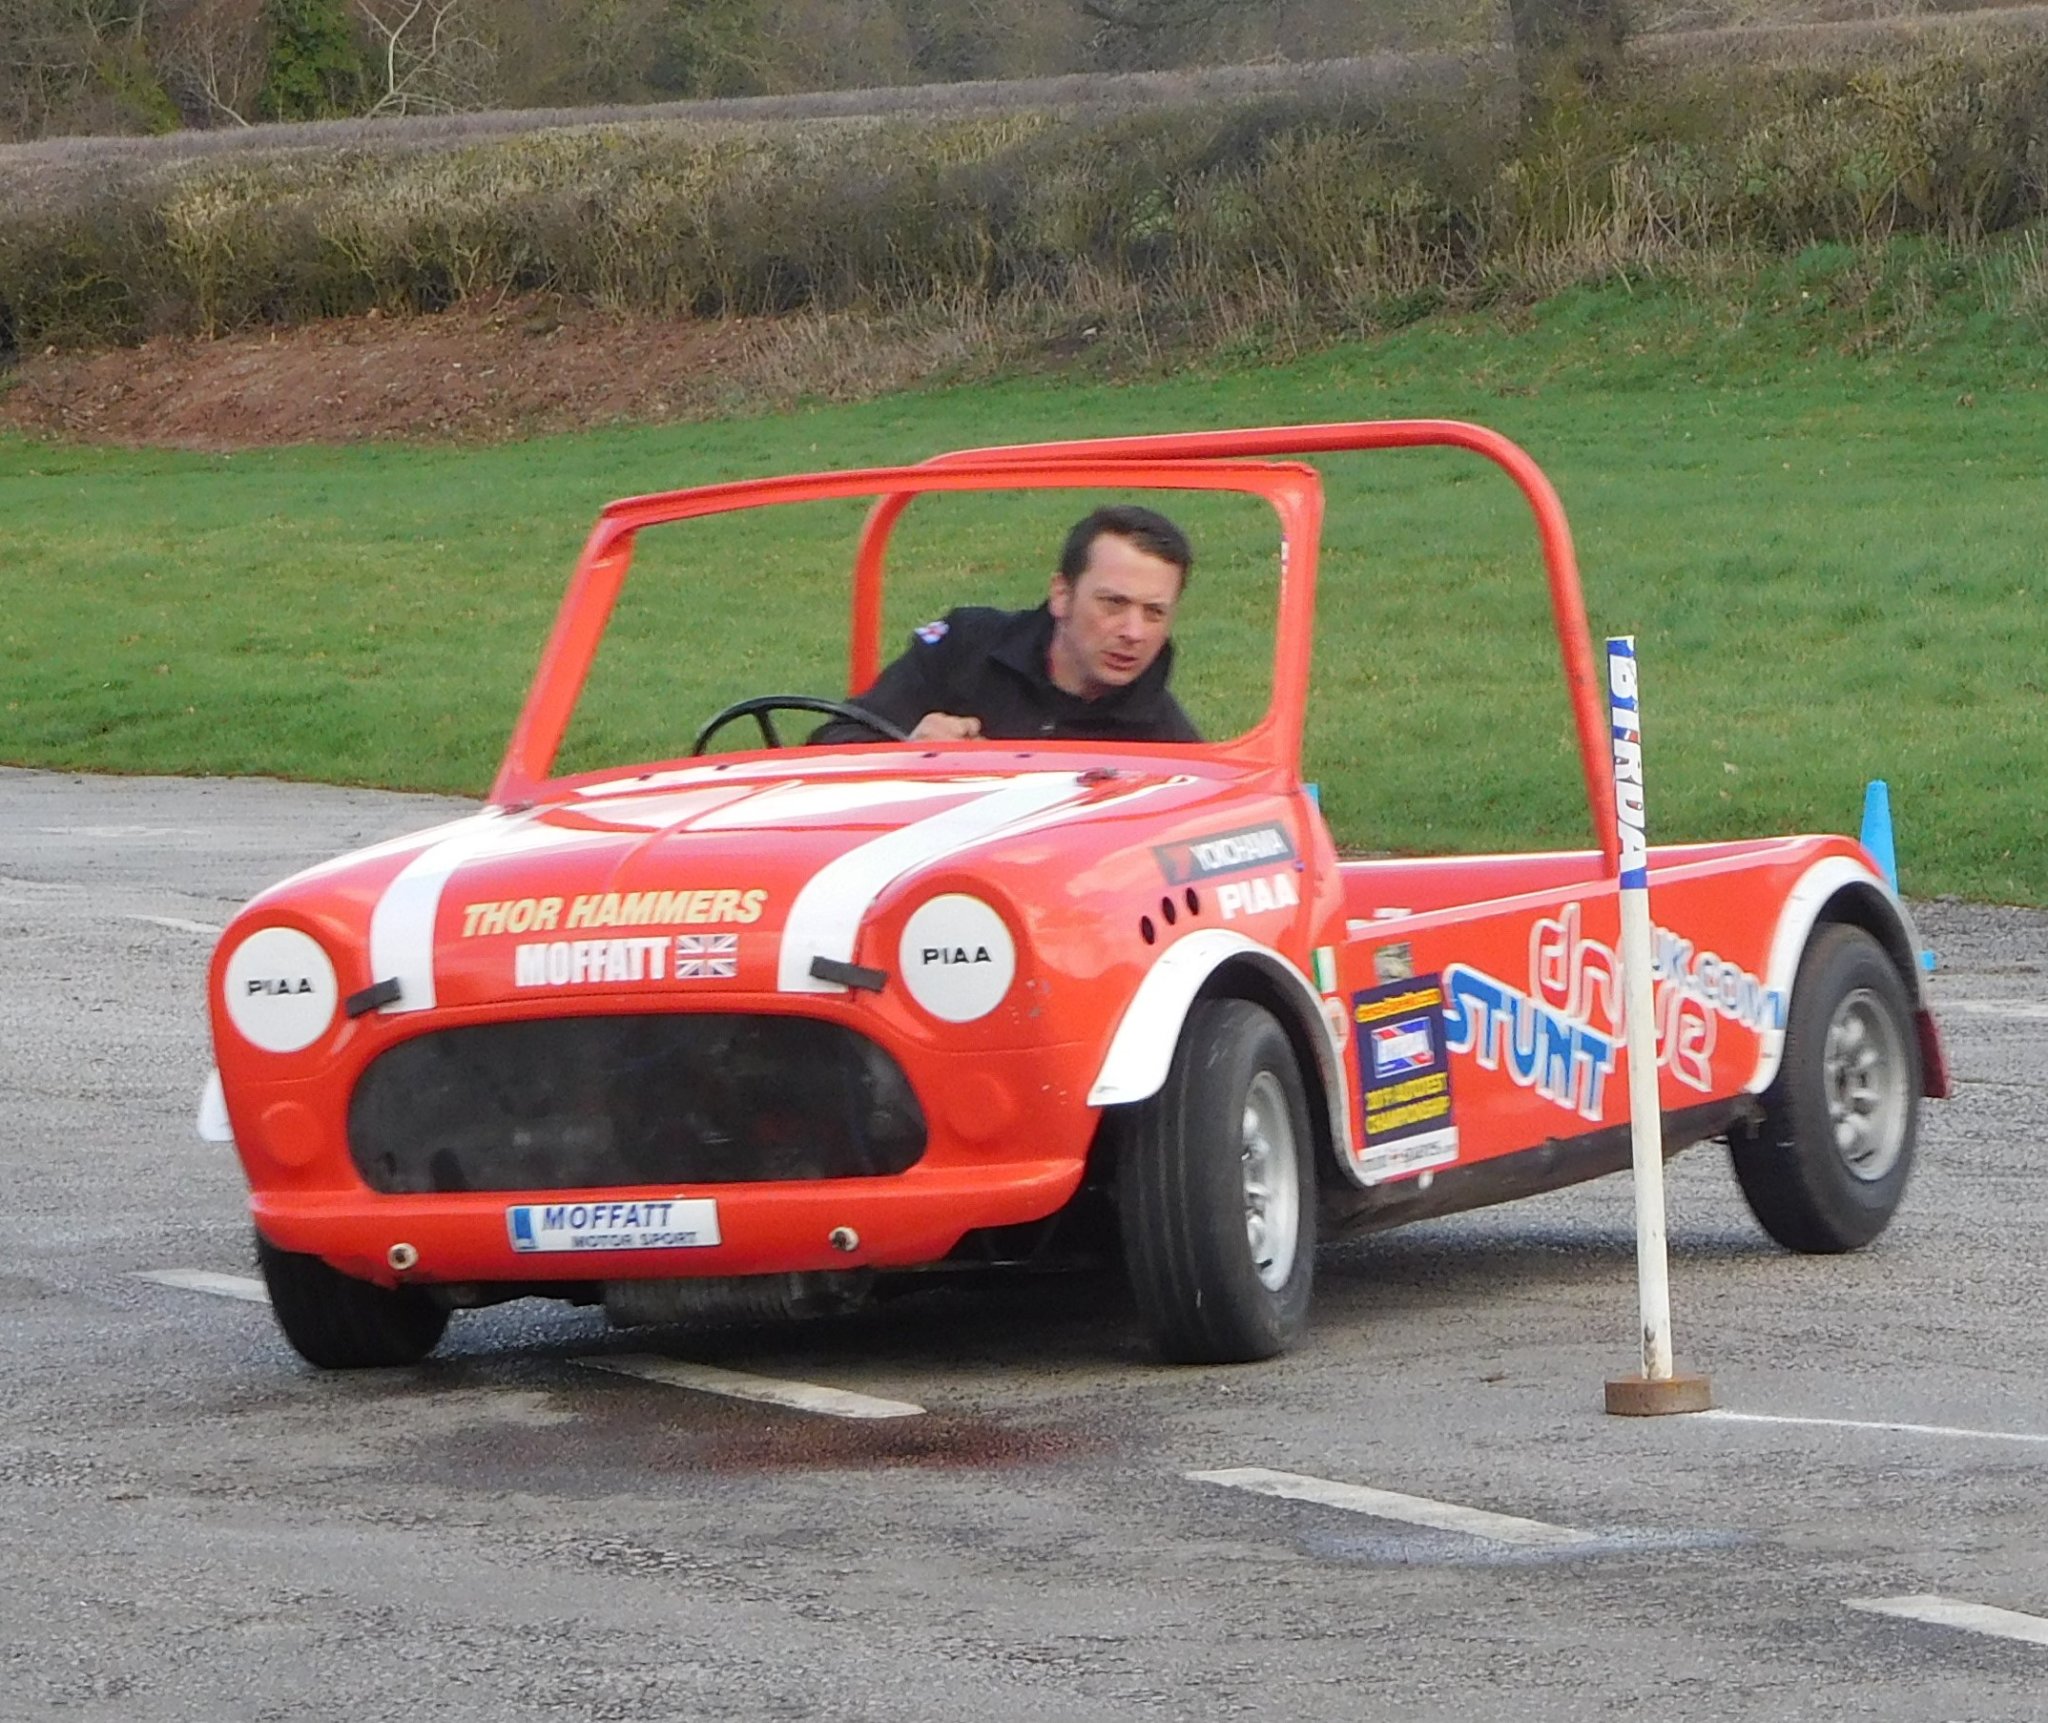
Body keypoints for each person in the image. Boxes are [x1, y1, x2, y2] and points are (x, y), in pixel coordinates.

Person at [812, 504, 1201, 745]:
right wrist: (906, 753)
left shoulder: (1169, 747)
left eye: (1154, 613)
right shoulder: (962, 647)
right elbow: (832, 747)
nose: (1133, 632)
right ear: (1061, 595)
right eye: (1114, 603)